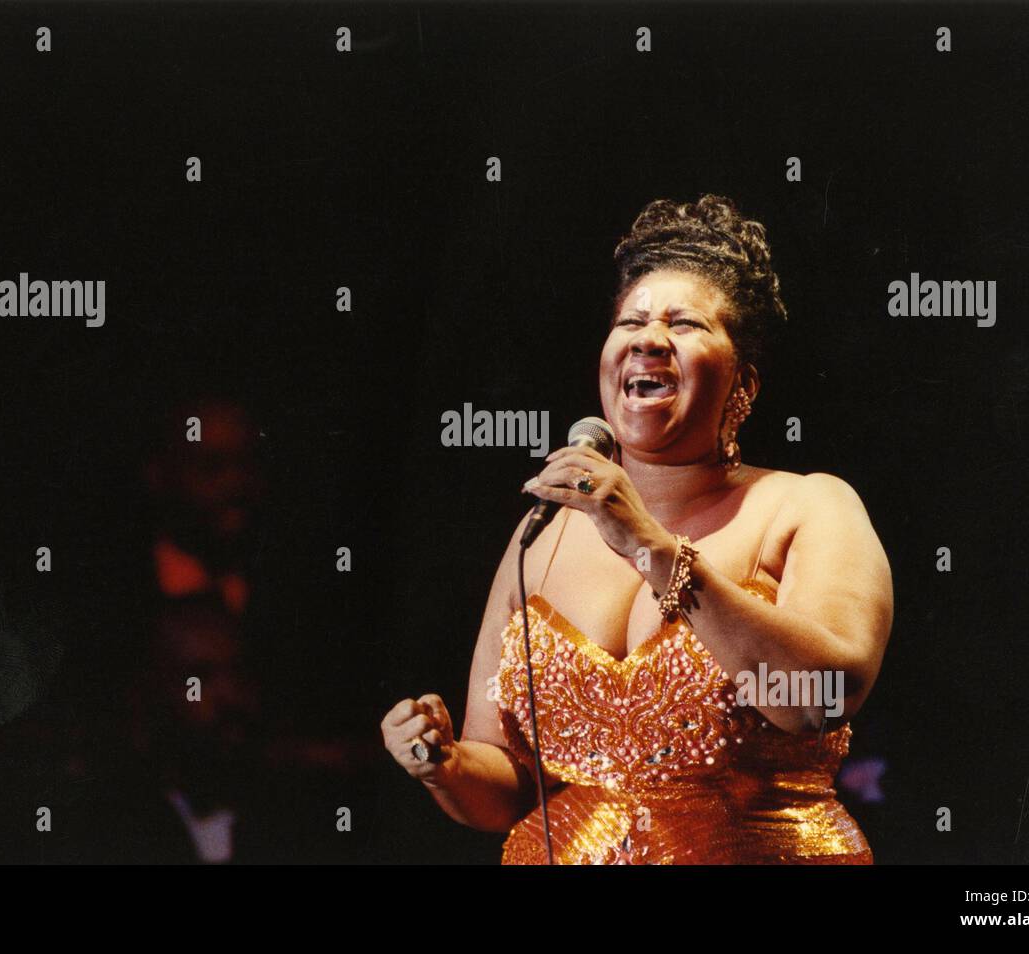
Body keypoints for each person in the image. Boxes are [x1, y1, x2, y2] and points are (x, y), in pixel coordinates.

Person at [382, 194, 894, 864]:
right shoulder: (543, 534)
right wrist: (443, 766)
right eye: (632, 321)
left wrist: (655, 550)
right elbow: (509, 786)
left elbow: (820, 700)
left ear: (743, 383)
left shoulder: (807, 507)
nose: (649, 337)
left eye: (683, 324)